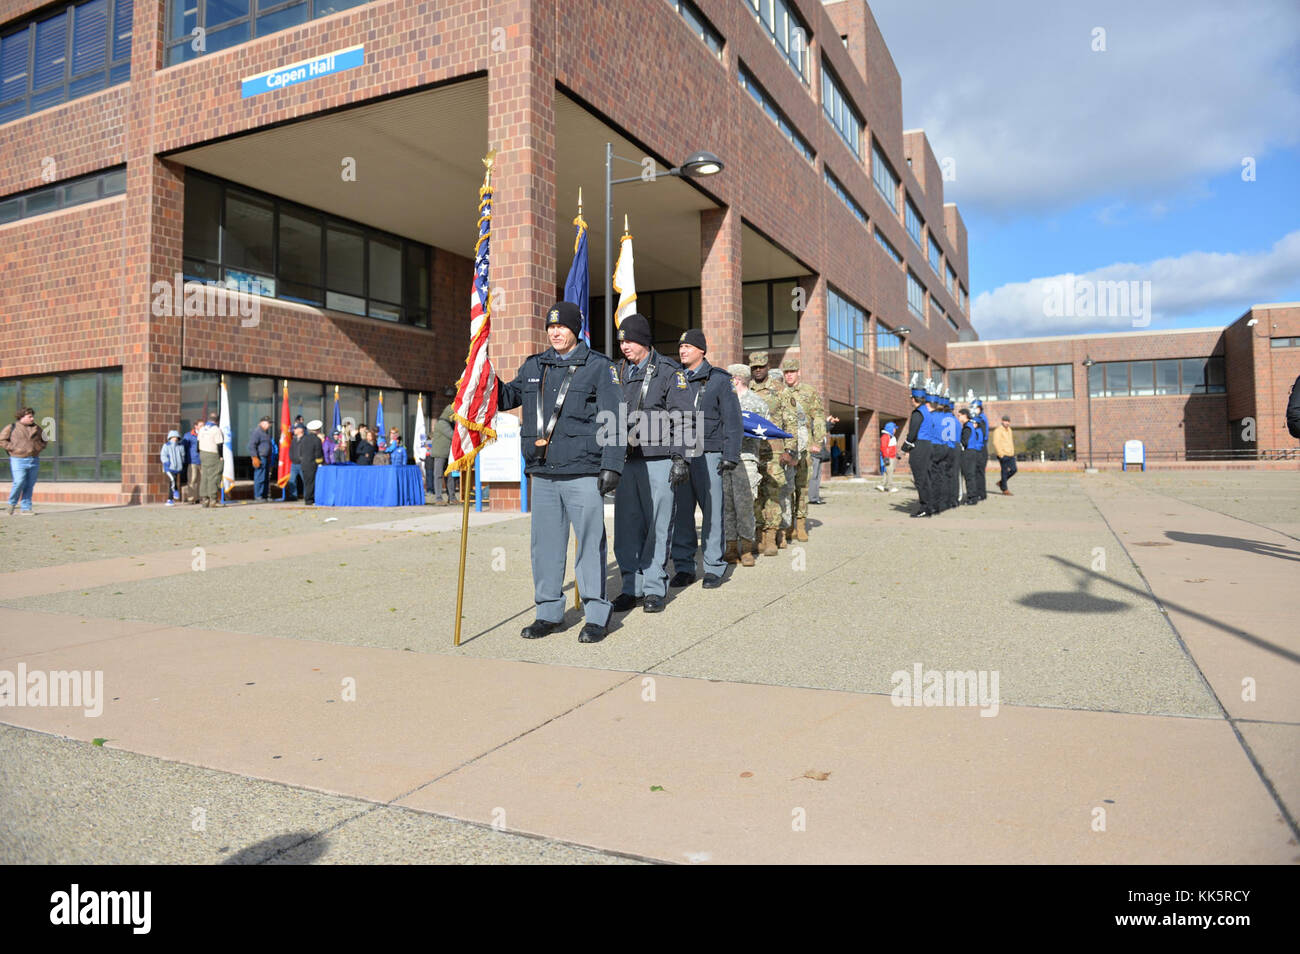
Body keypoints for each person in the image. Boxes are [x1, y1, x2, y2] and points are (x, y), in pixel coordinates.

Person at [496, 301, 623, 643]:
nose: (555, 332)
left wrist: (612, 464)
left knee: (589, 545)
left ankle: (596, 614)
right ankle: (549, 612)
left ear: (575, 329)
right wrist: (484, 383)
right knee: (546, 547)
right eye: (550, 327)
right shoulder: (535, 365)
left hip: (583, 471)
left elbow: (615, 418)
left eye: (562, 327)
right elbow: (508, 396)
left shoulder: (599, 367)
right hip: (544, 471)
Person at [610, 314, 692, 615]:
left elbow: (684, 417)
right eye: (621, 340)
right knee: (627, 528)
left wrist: (681, 457)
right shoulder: (616, 371)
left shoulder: (669, 372)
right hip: (627, 461)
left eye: (629, 340)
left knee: (658, 525)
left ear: (644, 340)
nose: (624, 345)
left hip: (658, 459)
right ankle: (631, 587)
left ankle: (655, 587)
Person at [670, 328, 742, 590]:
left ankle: (713, 566)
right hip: (681, 454)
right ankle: (684, 567)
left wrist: (730, 455)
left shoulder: (720, 380)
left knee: (712, 513)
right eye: (680, 347)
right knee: (681, 514)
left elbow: (733, 420)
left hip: (709, 454)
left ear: (701, 350)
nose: (683, 350)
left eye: (688, 346)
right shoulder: (674, 378)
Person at [747, 351, 798, 555]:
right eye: (754, 367)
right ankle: (758, 535)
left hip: (774, 451)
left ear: (768, 367)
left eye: (761, 366)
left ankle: (771, 537)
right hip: (752, 451)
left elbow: (791, 421)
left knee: (772, 495)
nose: (758, 370)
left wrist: (790, 450)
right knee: (755, 496)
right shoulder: (746, 389)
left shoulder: (780, 390)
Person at [725, 363, 768, 567]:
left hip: (747, 458)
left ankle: (747, 548)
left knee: (745, 505)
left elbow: (766, 429)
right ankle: (731, 547)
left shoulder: (756, 402)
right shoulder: (724, 400)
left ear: (736, 379)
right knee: (727, 505)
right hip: (725, 458)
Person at [780, 358, 826, 541]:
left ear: (799, 372)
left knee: (802, 487)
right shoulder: (780, 393)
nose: (789, 375)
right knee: (786, 487)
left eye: (792, 371)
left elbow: (819, 417)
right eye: (786, 372)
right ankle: (788, 524)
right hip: (786, 446)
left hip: (805, 447)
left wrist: (817, 441)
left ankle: (800, 524)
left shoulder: (809, 392)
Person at [2, 407, 47, 515]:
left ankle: (26, 508)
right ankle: (11, 503)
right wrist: (14, 449)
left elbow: (44, 440)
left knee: (29, 485)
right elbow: (2, 440)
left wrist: (38, 448)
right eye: (29, 416)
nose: (32, 418)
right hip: (18, 459)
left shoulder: (37, 428)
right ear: (22, 417)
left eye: (32, 416)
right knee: (19, 481)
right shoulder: (11, 427)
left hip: (34, 459)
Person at [899, 377, 933, 517]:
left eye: (912, 398)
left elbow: (912, 433)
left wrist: (903, 449)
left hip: (920, 447)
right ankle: (929, 505)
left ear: (915, 399)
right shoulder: (927, 411)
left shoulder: (918, 413)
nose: (911, 401)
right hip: (928, 446)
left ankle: (925, 507)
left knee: (920, 479)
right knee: (926, 478)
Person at [430, 386, 457, 504]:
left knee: (450, 476)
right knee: (438, 475)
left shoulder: (448, 423)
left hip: (447, 454)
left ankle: (452, 497)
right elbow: (452, 435)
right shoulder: (442, 423)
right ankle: (438, 498)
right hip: (440, 454)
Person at [196, 412, 225, 507]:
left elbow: (198, 442)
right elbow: (219, 445)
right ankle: (213, 500)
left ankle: (204, 499)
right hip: (213, 453)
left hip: (202, 453)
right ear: (217, 420)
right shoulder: (216, 430)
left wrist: (200, 453)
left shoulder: (202, 429)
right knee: (214, 476)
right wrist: (221, 456)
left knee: (204, 476)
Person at [247, 416, 274, 502]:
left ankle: (264, 496)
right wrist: (255, 457)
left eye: (270, 423)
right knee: (260, 477)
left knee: (266, 477)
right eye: (268, 423)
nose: (269, 425)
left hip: (266, 457)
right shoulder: (257, 432)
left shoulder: (265, 432)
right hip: (260, 458)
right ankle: (258, 496)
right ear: (262, 423)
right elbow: (252, 445)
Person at [298, 421, 325, 505]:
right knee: (311, 483)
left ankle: (307, 498)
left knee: (306, 482)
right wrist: (320, 462)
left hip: (304, 464)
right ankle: (309, 500)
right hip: (312, 464)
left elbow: (300, 451)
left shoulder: (304, 438)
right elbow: (318, 454)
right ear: (318, 430)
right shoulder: (317, 439)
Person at [957, 409, 980, 506]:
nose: (958, 417)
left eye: (959, 415)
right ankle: (973, 497)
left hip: (968, 453)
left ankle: (972, 498)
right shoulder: (970, 425)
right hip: (972, 452)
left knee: (969, 476)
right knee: (970, 476)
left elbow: (964, 442)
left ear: (964, 415)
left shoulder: (967, 427)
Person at [991, 415, 1017, 495]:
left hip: (1011, 454)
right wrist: (1000, 454)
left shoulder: (1009, 430)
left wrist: (1012, 452)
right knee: (1004, 471)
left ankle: (1001, 482)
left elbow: (1010, 442)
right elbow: (996, 442)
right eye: (1005, 421)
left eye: (1008, 421)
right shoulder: (998, 430)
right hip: (1003, 454)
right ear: (1002, 421)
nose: (1007, 423)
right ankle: (1005, 489)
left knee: (1014, 469)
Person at [969, 398, 989, 502]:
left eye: (975, 408)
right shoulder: (980, 418)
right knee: (978, 473)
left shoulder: (981, 419)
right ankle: (981, 493)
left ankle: (980, 493)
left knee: (979, 473)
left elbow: (983, 435)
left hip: (980, 449)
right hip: (980, 448)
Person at [159, 429, 185, 505]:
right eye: (173, 437)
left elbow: (182, 455)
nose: (175, 439)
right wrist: (167, 462)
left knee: (172, 481)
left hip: (177, 467)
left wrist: (181, 462)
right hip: (169, 467)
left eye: (176, 437)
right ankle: (175, 492)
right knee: (172, 479)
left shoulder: (180, 446)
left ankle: (170, 499)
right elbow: (163, 455)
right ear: (170, 437)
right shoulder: (166, 446)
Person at [878, 422, 898, 492]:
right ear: (890, 429)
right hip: (888, 457)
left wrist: (896, 454)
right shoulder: (885, 436)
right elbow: (883, 447)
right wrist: (886, 457)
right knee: (890, 472)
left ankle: (882, 485)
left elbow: (893, 447)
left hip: (892, 457)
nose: (895, 430)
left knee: (888, 471)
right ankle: (890, 487)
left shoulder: (891, 436)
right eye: (894, 429)